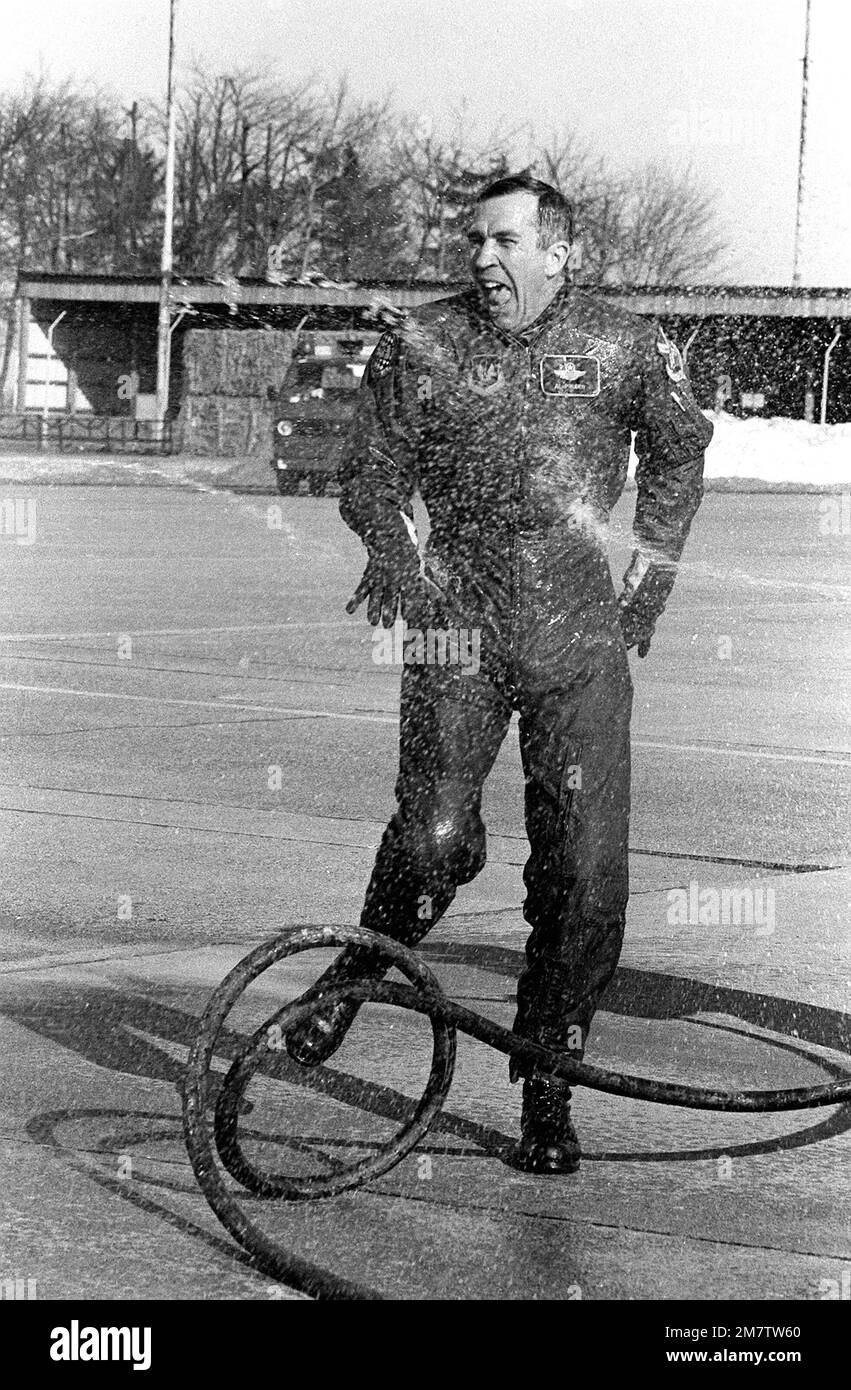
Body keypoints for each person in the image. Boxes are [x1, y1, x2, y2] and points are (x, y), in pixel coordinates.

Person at [286, 173, 713, 1174]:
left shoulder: (620, 341)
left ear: (557, 253)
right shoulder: (422, 343)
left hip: (575, 622)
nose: (481, 257)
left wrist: (656, 557)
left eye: (504, 239)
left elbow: (680, 446)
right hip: (454, 616)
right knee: (434, 837)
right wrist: (391, 546)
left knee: (583, 867)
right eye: (472, 239)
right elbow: (370, 469)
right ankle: (363, 965)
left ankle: (547, 1080)